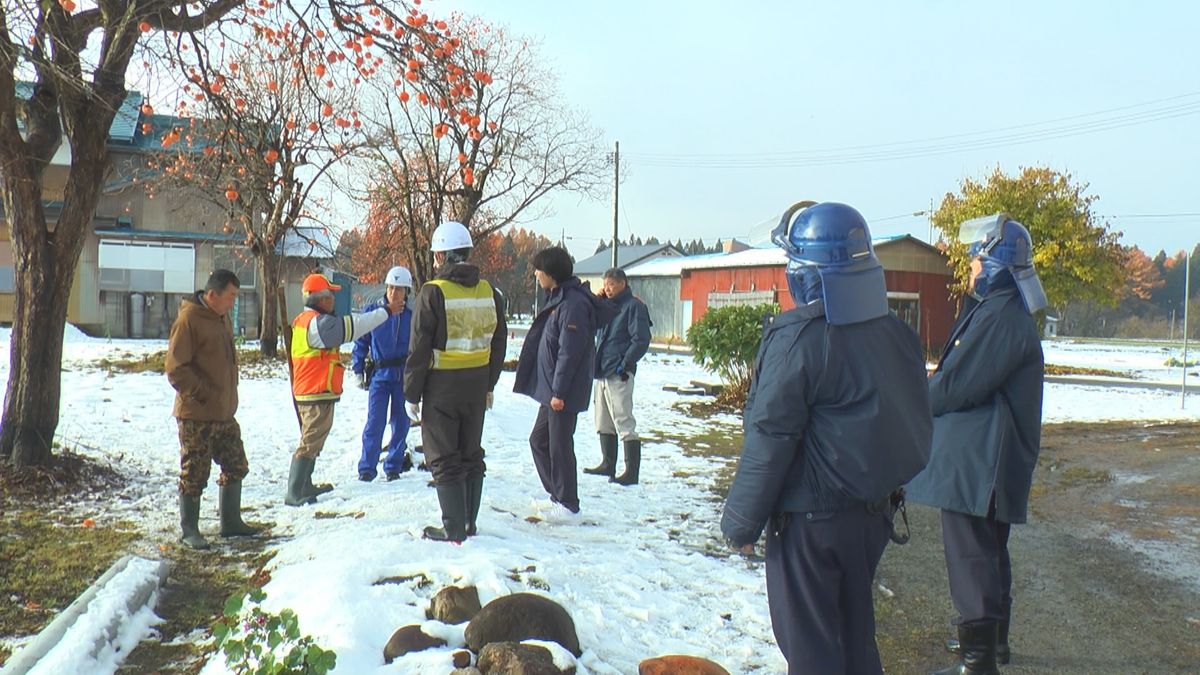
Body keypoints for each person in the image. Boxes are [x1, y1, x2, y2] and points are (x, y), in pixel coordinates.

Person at [720, 202, 932, 674]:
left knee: (812, 646)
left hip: (811, 524)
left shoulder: (799, 340)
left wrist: (740, 522)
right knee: (855, 638)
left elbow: (770, 437)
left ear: (806, 273)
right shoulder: (896, 332)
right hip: (872, 514)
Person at [906, 214, 1046, 675]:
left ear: (994, 263)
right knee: (987, 550)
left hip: (980, 462)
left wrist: (912, 403)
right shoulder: (1002, 310)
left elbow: (957, 383)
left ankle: (978, 661)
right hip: (986, 458)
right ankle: (993, 644)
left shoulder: (1000, 314)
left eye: (975, 256)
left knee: (970, 554)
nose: (967, 263)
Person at [404, 221, 507, 542]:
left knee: (444, 457)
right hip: (476, 386)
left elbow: (419, 346)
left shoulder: (433, 292)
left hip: (441, 388)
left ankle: (453, 528)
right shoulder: (490, 292)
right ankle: (468, 523)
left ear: (441, 256)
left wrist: (411, 392)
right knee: (471, 454)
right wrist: (489, 383)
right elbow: (499, 342)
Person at [514, 246, 616, 523]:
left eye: (539, 270)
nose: (535, 274)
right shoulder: (560, 298)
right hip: (552, 391)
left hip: (562, 392)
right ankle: (558, 496)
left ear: (551, 274)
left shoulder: (572, 305)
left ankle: (569, 504)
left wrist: (559, 392)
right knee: (539, 440)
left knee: (559, 445)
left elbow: (569, 353)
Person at [285, 272, 402, 506]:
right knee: (311, 439)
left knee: (315, 438)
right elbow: (354, 327)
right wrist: (387, 311)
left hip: (314, 390)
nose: (333, 301)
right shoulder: (318, 324)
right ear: (320, 299)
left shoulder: (307, 321)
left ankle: (304, 484)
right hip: (314, 392)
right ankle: (296, 490)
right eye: (330, 296)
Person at [165, 269, 262, 550]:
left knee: (236, 464)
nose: (234, 302)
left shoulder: (220, 318)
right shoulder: (189, 320)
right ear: (212, 294)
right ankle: (189, 531)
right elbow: (175, 369)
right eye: (231, 296)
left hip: (223, 413)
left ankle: (231, 523)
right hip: (196, 415)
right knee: (194, 472)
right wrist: (203, 392)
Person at [584, 267, 652, 485]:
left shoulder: (634, 306)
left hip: (619, 372)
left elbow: (640, 339)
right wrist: (599, 299)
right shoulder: (607, 306)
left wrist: (625, 363)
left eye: (611, 284)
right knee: (603, 420)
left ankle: (631, 471)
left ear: (623, 283)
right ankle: (608, 463)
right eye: (605, 285)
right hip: (602, 370)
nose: (608, 289)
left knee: (623, 419)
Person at [351, 265, 415, 482]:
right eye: (390, 288)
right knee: (375, 423)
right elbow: (361, 340)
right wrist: (358, 368)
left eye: (398, 289)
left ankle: (394, 466)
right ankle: (367, 469)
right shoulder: (374, 313)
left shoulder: (411, 317)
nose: (393, 293)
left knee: (401, 422)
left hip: (403, 377)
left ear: (406, 292)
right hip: (380, 375)